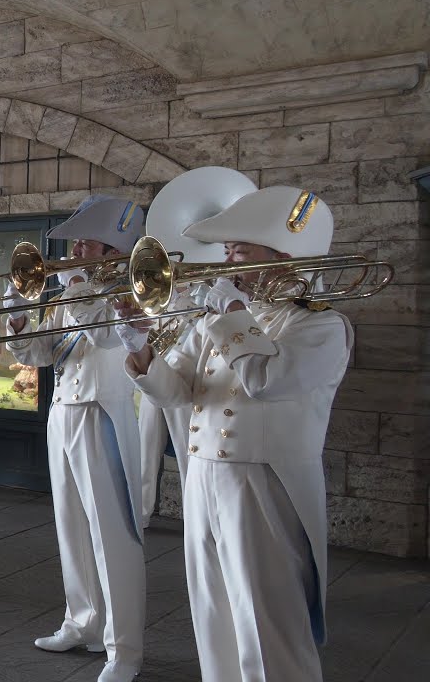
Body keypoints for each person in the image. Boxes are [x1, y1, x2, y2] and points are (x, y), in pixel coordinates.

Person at [117, 187, 347, 682]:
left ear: (282, 258)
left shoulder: (322, 326)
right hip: (203, 476)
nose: (225, 262)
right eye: (227, 251)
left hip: (265, 482)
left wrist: (232, 317)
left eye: (238, 251)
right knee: (213, 611)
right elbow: (176, 392)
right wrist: (140, 349)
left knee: (268, 620)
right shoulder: (215, 321)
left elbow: (267, 382)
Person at [2, 195, 145, 682]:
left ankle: (124, 648)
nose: (74, 248)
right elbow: (40, 353)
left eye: (86, 241)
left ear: (113, 249)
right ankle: (80, 621)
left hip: (105, 411)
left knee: (113, 535)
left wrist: (79, 288)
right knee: (71, 528)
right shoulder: (70, 291)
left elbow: (106, 338)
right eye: (76, 241)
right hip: (63, 411)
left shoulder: (136, 287)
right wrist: (18, 316)